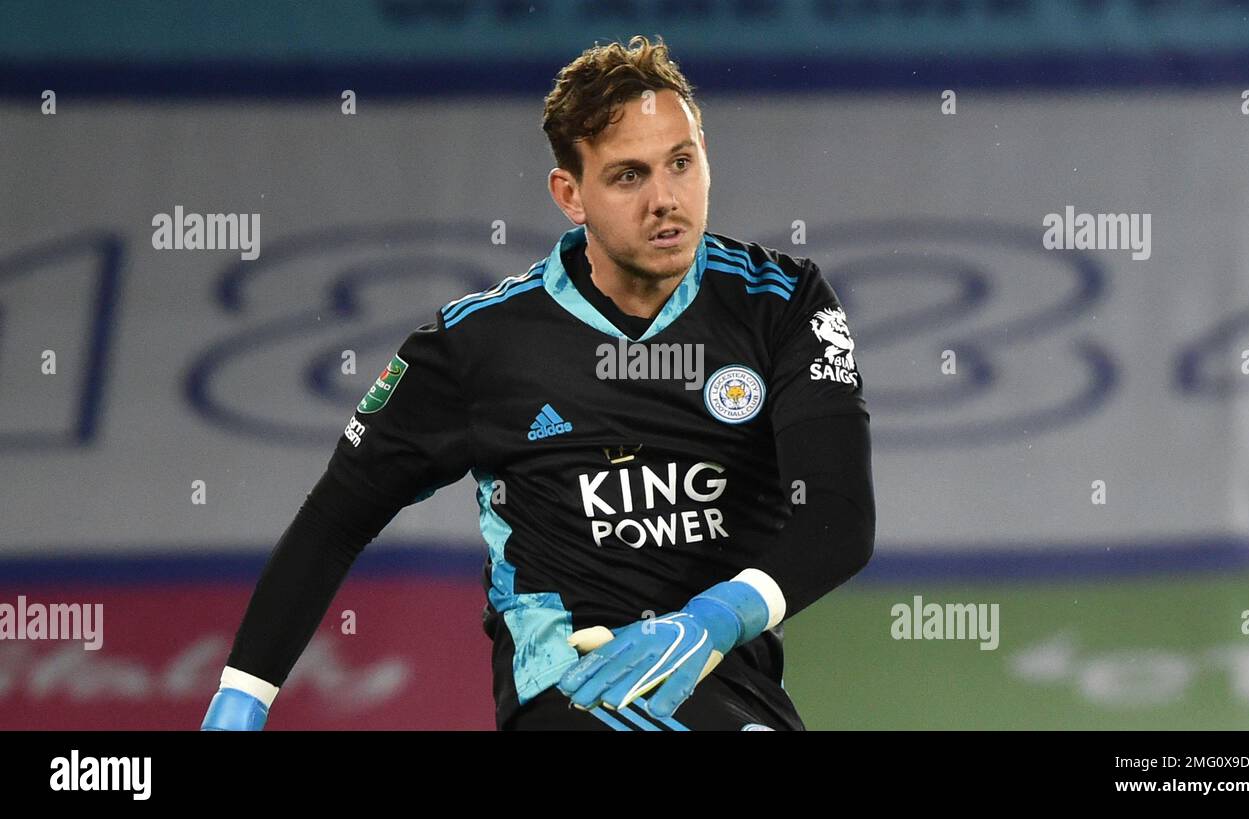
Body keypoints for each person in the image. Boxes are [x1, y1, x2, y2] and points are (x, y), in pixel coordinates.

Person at [201, 34, 875, 732]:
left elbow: (837, 515)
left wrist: (709, 621)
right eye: (627, 176)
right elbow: (335, 518)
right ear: (569, 195)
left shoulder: (783, 302)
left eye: (682, 162)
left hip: (727, 676)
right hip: (569, 685)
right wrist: (243, 695)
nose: (665, 200)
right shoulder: (479, 344)